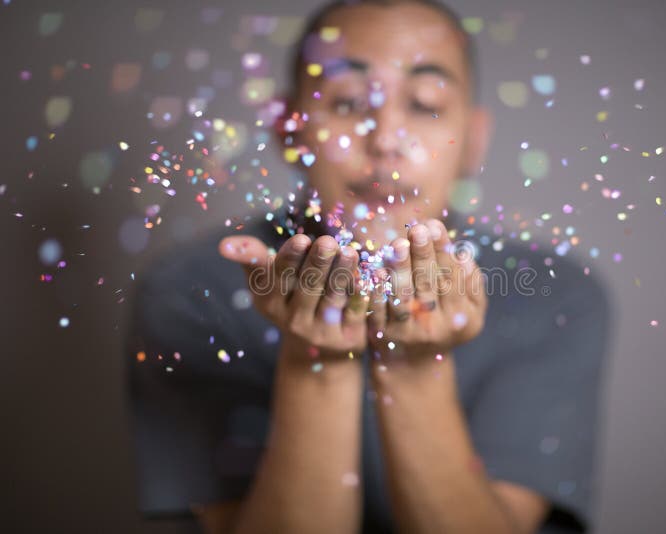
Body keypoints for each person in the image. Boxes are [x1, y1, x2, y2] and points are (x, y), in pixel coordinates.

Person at [126, 1, 613, 533]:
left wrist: (410, 363)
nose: (384, 140)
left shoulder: (555, 296)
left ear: (473, 140)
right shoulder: (191, 290)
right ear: (290, 128)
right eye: (348, 102)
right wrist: (318, 360)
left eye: (425, 105)